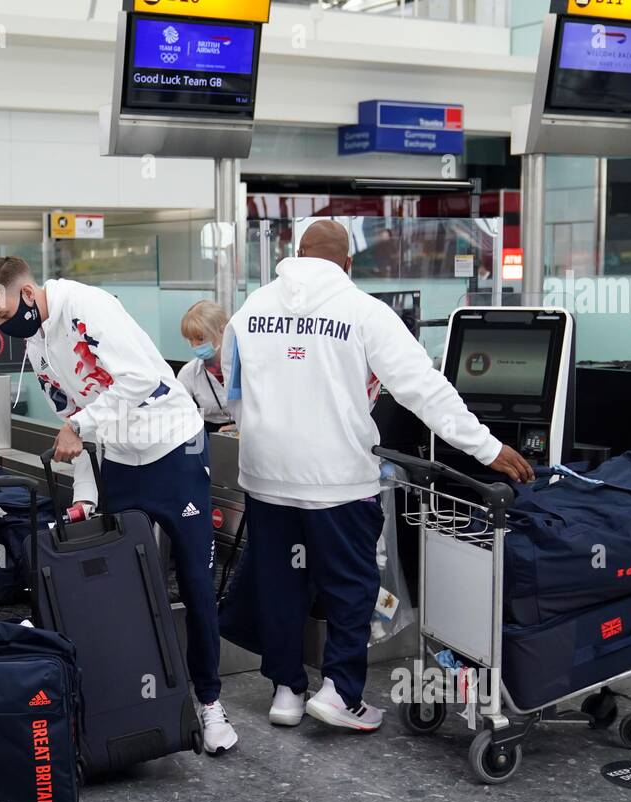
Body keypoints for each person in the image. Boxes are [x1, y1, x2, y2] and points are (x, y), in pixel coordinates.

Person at [222, 221, 535, 733]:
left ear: (295, 254)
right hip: (337, 478)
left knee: (278, 583)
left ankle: (285, 690)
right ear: (348, 264)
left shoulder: (250, 309)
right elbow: (423, 390)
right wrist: (486, 447)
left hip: (267, 475)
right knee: (352, 585)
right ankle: (340, 692)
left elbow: (234, 389)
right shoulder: (365, 313)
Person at [0, 257, 239, 754]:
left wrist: (80, 427)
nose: (0, 328)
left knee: (197, 582)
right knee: (121, 586)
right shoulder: (38, 346)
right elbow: (75, 420)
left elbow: (141, 382)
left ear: (26, 294)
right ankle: (137, 700)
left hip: (173, 449)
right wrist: (86, 496)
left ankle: (211, 702)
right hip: (119, 459)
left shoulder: (88, 308)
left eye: (1, 317)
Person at [177, 301, 236, 434]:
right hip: (207, 434)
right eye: (190, 339)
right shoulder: (188, 373)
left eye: (200, 338)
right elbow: (179, 415)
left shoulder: (245, 365)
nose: (195, 345)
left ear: (222, 330)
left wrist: (239, 428)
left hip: (248, 431)